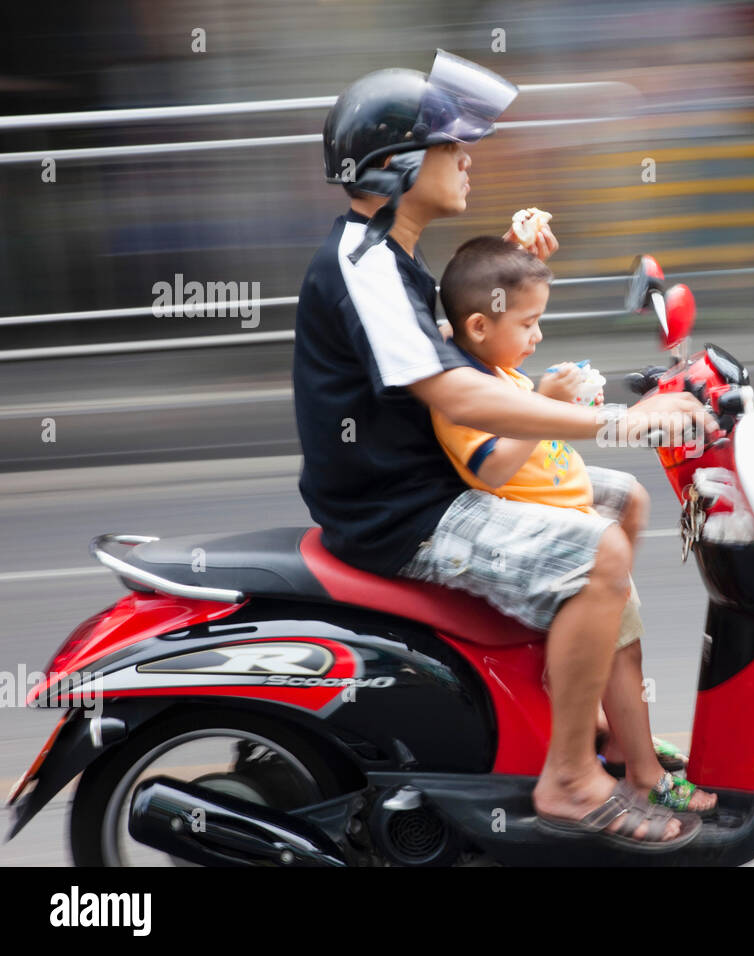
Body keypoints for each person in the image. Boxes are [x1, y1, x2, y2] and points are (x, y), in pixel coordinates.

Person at [293, 52, 716, 848]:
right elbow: (456, 393)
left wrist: (513, 259)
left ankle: (619, 745)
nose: (467, 159)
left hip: (426, 488)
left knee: (623, 502)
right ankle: (567, 778)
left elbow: (460, 338)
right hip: (405, 513)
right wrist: (620, 423)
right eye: (452, 148)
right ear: (399, 165)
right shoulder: (363, 265)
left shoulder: (391, 262)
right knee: (595, 555)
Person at [430, 235, 717, 814]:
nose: (537, 336)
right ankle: (642, 772)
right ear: (481, 328)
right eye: (530, 323)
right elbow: (492, 468)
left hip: (570, 508)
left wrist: (571, 406)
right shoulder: (466, 394)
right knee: (625, 652)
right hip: (558, 531)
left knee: (631, 506)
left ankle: (611, 729)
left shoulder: (492, 369)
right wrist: (543, 402)